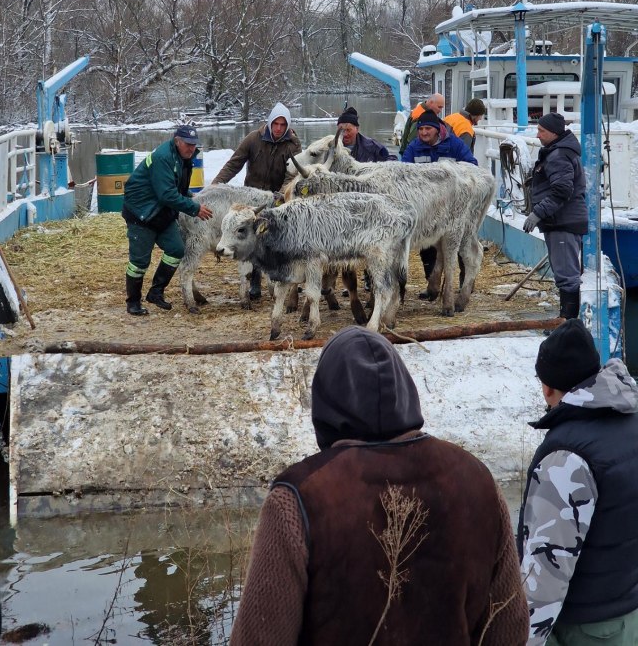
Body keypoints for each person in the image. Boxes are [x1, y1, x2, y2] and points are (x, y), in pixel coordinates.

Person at [230, 326, 528, 646]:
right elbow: (509, 627)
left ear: (326, 401)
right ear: (406, 390)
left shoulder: (300, 497)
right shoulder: (476, 479)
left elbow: (258, 638)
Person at [518, 318, 638, 646]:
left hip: (583, 629)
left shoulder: (567, 458)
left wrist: (523, 638)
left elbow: (547, 570)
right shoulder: (631, 423)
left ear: (546, 386)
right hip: (628, 617)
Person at [212, 102, 301, 299]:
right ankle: (254, 280)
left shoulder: (293, 144)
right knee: (252, 238)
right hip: (251, 196)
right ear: (269, 123)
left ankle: (276, 278)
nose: (278, 128)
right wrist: (217, 184)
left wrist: (282, 192)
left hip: (277, 197)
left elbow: (292, 173)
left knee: (274, 239)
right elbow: (234, 163)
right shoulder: (253, 138)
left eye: (282, 125)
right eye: (275, 124)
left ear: (287, 126)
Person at [122, 125, 212, 316]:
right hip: (142, 213)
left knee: (176, 249)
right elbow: (167, 195)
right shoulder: (164, 157)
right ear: (177, 141)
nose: (192, 149)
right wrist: (194, 208)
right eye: (188, 144)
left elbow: (176, 188)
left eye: (194, 145)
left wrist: (192, 196)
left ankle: (156, 292)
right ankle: (133, 302)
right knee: (139, 262)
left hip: (162, 212)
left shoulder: (185, 157)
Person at [402, 110, 478, 296]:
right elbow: (403, 172)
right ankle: (432, 284)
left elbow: (472, 165)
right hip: (428, 207)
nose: (423, 133)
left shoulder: (454, 144)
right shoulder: (414, 147)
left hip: (453, 203)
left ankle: (463, 283)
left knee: (458, 243)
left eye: (428, 128)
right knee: (426, 246)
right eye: (421, 129)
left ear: (437, 129)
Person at [522, 112, 587, 319]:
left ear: (553, 132)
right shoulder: (557, 152)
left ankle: (568, 326)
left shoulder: (559, 155)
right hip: (560, 221)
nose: (538, 135)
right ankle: (566, 325)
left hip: (563, 223)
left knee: (567, 276)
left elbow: (562, 190)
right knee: (564, 274)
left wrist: (537, 213)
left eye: (541, 131)